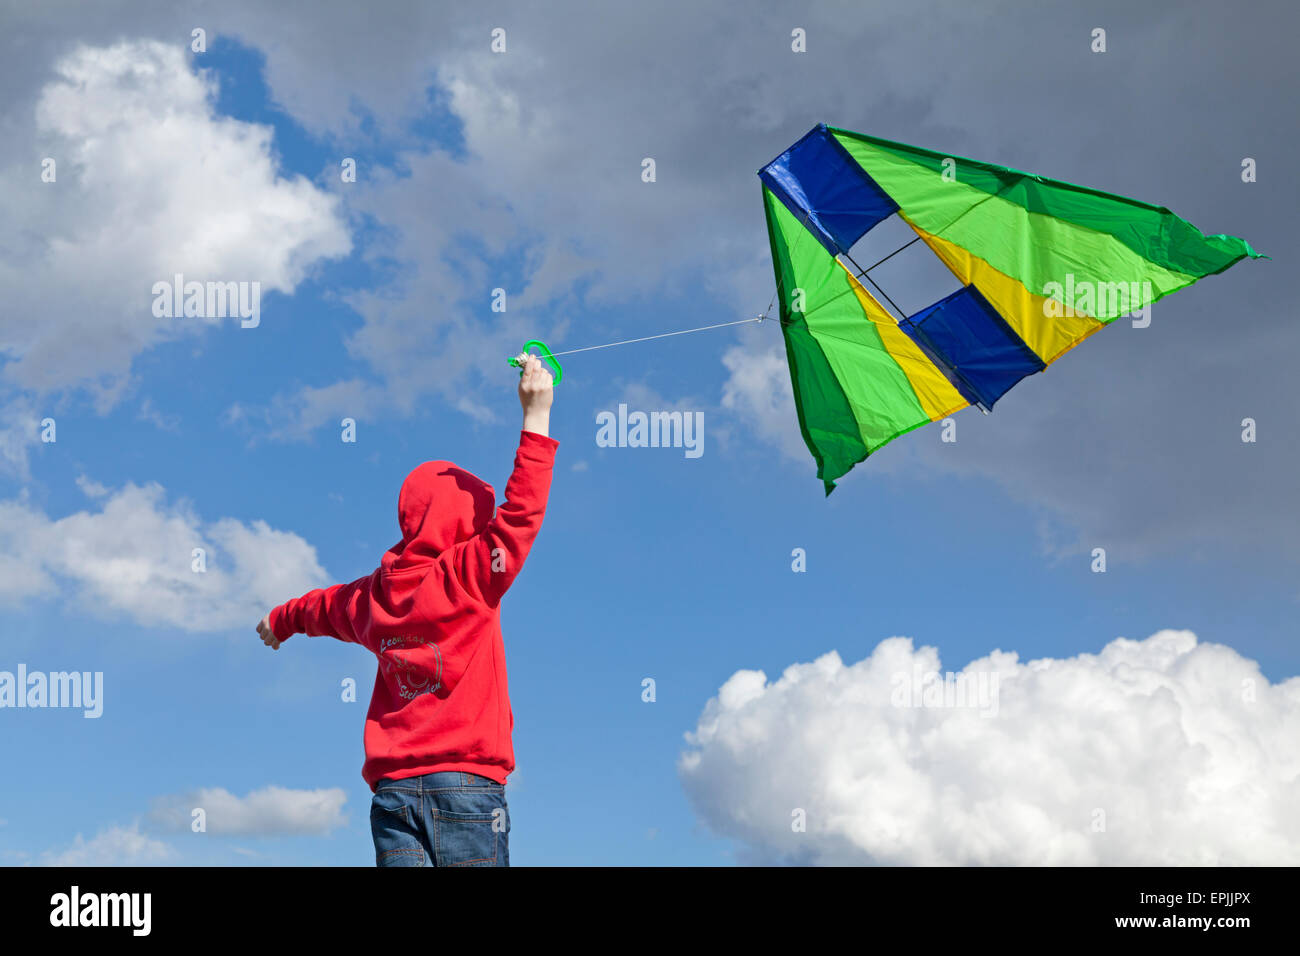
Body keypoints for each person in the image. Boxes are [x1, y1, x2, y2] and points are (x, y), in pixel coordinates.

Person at [256, 355, 557, 866]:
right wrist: (537, 415)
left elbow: (321, 607)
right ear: (472, 524)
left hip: (393, 794)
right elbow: (521, 513)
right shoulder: (474, 573)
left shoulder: (373, 596)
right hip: (468, 787)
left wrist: (279, 620)